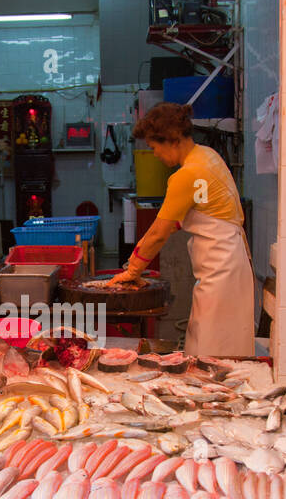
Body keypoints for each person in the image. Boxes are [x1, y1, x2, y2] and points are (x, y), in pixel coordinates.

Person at [108, 103, 255, 357]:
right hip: (233, 261)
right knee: (225, 340)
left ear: (171, 140)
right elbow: (188, 214)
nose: (154, 154)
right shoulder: (208, 155)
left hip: (220, 267)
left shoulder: (187, 175)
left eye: (154, 147)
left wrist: (132, 271)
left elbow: (158, 232)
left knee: (212, 347)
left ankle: (213, 392)